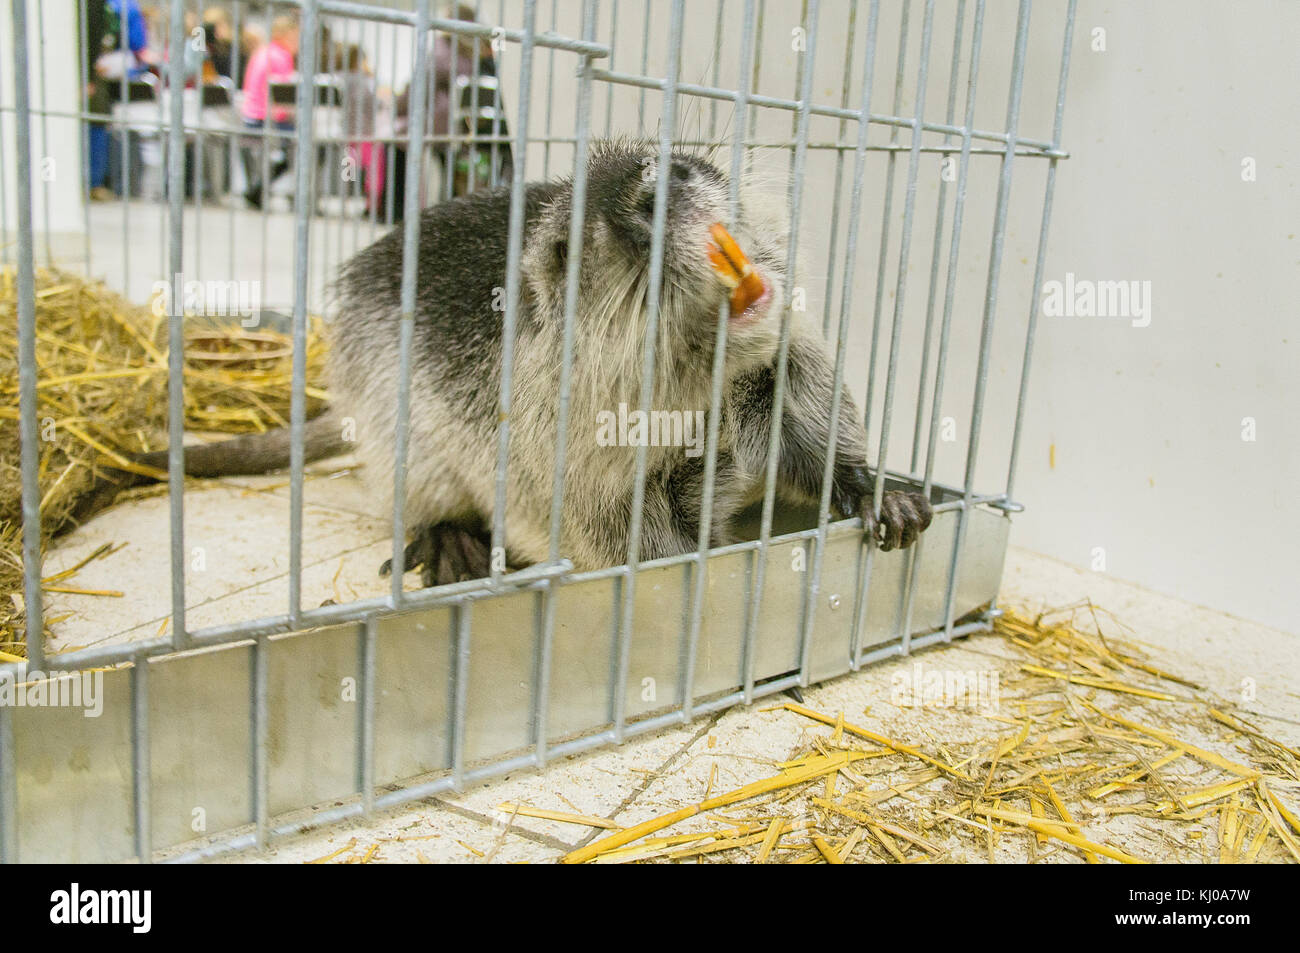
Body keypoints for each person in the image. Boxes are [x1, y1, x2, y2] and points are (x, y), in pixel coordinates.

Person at [239, 14, 299, 208]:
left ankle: (258, 189)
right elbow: (283, 94)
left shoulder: (262, 51)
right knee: (304, 148)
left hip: (249, 115)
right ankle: (259, 189)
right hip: (268, 117)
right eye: (295, 36)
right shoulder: (281, 55)